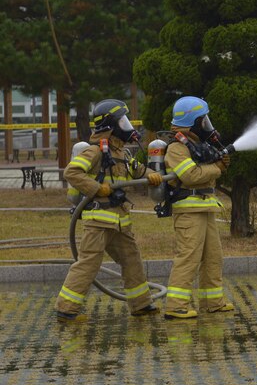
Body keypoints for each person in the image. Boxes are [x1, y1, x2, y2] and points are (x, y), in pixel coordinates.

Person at [56, 99, 163, 322]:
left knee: (132, 260)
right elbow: (72, 173)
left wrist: (151, 175)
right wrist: (97, 188)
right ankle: (66, 309)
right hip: (99, 221)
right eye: (123, 121)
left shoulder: (122, 153)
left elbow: (138, 170)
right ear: (110, 125)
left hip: (120, 222)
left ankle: (141, 305)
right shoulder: (95, 151)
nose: (128, 126)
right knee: (89, 263)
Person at [161, 96, 234, 319]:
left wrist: (217, 161)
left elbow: (202, 171)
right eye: (204, 120)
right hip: (188, 211)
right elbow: (190, 176)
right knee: (189, 257)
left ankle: (213, 302)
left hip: (205, 208)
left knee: (214, 256)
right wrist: (217, 168)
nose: (207, 125)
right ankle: (175, 306)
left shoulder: (196, 145)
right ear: (193, 122)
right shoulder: (177, 148)